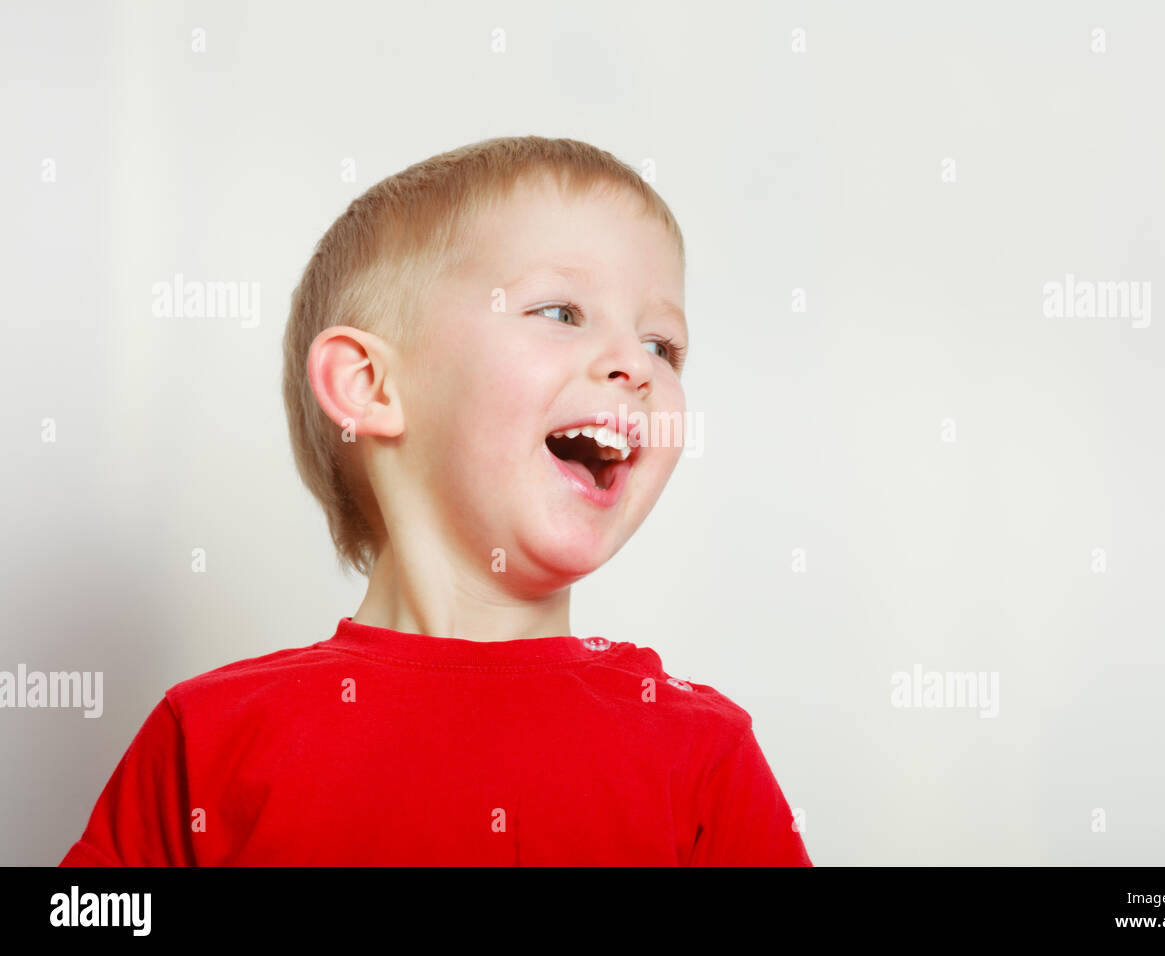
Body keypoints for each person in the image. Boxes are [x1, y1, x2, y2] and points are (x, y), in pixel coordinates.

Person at [60, 136, 812, 866]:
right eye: (561, 313)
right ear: (370, 387)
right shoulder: (205, 740)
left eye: (662, 346)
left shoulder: (701, 752)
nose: (635, 367)